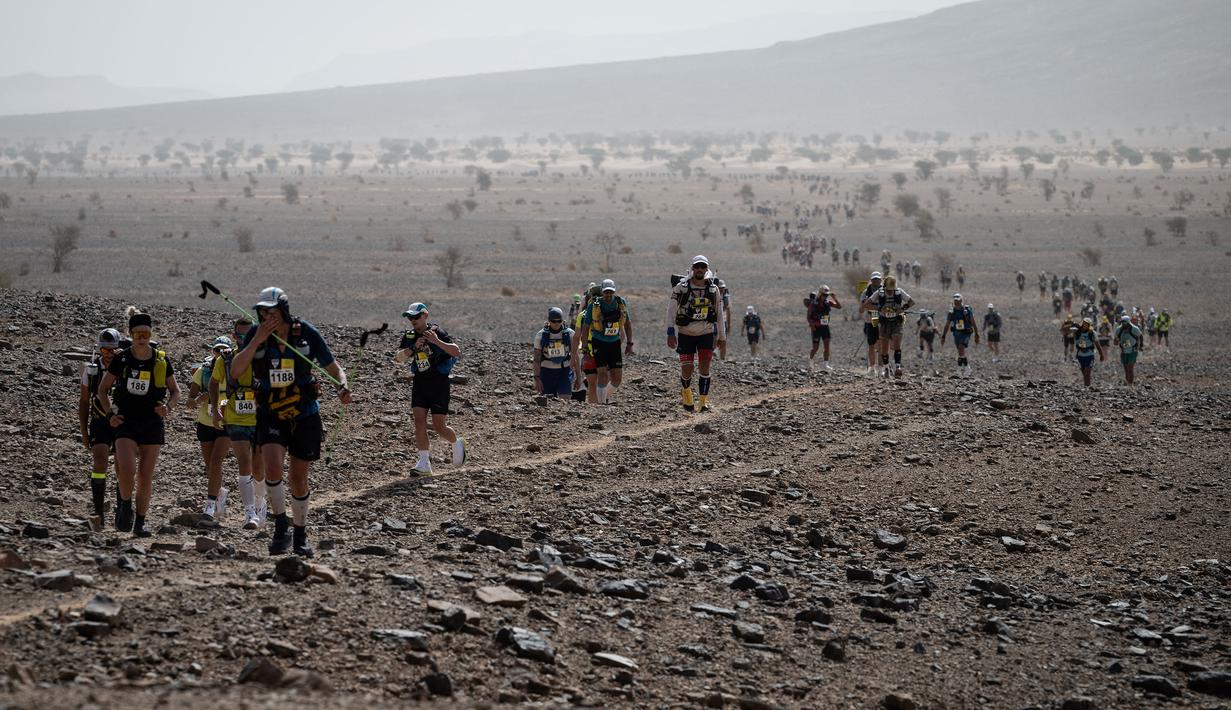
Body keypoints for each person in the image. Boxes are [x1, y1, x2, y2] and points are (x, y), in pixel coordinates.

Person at [231, 287, 351, 557]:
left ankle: (300, 532)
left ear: (283, 310)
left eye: (270, 311)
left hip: (304, 413)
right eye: (262, 312)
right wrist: (256, 340)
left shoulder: (305, 332)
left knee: (298, 478)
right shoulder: (256, 334)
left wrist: (342, 386)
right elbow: (236, 372)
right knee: (272, 466)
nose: (265, 316)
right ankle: (280, 526)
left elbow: (333, 367)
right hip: (271, 413)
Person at [96, 307, 180, 537]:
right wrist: (110, 415)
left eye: (146, 334)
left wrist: (168, 408)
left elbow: (175, 391)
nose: (142, 338)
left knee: (145, 475)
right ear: (130, 334)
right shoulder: (122, 358)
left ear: (151, 333)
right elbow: (103, 391)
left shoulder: (161, 360)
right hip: (126, 421)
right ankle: (124, 504)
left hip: (152, 423)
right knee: (127, 469)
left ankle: (141, 521)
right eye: (137, 334)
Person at [395, 301, 465, 474]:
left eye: (416, 316)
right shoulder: (410, 336)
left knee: (439, 426)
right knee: (419, 421)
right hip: (420, 382)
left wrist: (435, 341)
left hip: (439, 383)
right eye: (410, 317)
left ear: (425, 315)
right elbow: (398, 358)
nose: (413, 320)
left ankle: (457, 443)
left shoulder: (437, 332)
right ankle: (424, 463)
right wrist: (413, 348)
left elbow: (456, 351)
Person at [210, 318, 266, 529]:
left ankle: (261, 504)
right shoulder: (225, 359)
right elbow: (213, 383)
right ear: (234, 336)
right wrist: (216, 409)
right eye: (240, 335)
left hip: (260, 417)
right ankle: (250, 513)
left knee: (259, 468)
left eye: (248, 335)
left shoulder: (263, 356)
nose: (244, 339)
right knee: (244, 462)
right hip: (235, 417)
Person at [667, 255, 725, 411]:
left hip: (705, 333)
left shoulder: (713, 290)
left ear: (706, 269)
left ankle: (703, 402)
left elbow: (719, 313)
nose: (699, 269)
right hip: (686, 334)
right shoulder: (681, 288)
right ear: (692, 268)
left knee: (705, 367)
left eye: (703, 267)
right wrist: (670, 332)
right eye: (697, 266)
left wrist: (721, 337)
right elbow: (671, 310)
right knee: (687, 369)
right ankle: (686, 394)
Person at [79, 328, 123, 532]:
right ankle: (99, 512)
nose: (109, 354)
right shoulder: (91, 370)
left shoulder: (125, 368)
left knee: (123, 466)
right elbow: (84, 401)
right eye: (105, 350)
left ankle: (123, 509)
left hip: (123, 421)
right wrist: (84, 433)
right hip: (99, 420)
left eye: (113, 350)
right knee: (100, 461)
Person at [189, 336, 234, 519]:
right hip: (205, 422)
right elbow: (189, 402)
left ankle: (209, 506)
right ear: (212, 351)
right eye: (217, 350)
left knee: (216, 462)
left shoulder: (234, 371)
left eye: (224, 350)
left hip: (226, 423)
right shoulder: (202, 371)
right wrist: (199, 399)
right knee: (210, 468)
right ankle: (220, 492)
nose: (219, 353)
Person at [581, 279, 634, 404]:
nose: (608, 295)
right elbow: (586, 327)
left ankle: (603, 399)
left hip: (614, 342)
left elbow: (627, 324)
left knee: (617, 378)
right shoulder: (593, 306)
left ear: (614, 292)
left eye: (611, 292)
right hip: (599, 342)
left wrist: (629, 344)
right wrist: (584, 347)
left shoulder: (621, 303)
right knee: (602, 374)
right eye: (606, 293)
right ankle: (601, 404)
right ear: (602, 293)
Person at [861, 275, 914, 378]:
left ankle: (898, 367)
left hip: (897, 322)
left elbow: (911, 302)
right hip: (884, 323)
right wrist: (880, 309)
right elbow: (866, 305)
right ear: (885, 286)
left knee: (897, 344)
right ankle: (886, 368)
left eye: (892, 290)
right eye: (888, 290)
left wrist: (902, 309)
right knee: (884, 349)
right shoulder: (879, 293)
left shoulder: (899, 292)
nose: (890, 292)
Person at [532, 307, 579, 398]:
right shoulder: (540, 335)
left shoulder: (570, 334)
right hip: (546, 371)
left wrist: (579, 377)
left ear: (563, 320)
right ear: (549, 321)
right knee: (547, 399)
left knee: (565, 398)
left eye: (559, 321)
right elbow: (537, 359)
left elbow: (575, 356)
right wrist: (536, 378)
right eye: (554, 321)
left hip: (564, 370)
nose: (556, 324)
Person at [940, 293, 980, 376]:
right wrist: (943, 335)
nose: (956, 302)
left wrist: (977, 333)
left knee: (961, 348)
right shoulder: (952, 312)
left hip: (966, 332)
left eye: (957, 300)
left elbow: (973, 321)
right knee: (960, 352)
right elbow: (947, 324)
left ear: (961, 300)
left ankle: (959, 369)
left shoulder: (967, 310)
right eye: (955, 300)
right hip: (956, 333)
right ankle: (967, 368)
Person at [807, 285, 841, 370]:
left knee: (827, 345)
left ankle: (825, 364)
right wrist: (812, 325)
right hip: (816, 327)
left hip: (825, 327)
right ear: (820, 294)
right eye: (824, 295)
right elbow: (808, 316)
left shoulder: (828, 302)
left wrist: (834, 298)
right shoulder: (813, 303)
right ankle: (810, 360)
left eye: (827, 295)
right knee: (815, 347)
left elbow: (839, 307)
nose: (825, 296)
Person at [859, 272, 883, 375]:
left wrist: (871, 306)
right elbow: (861, 308)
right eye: (874, 279)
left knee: (882, 345)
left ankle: (881, 368)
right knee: (871, 345)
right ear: (871, 280)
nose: (876, 281)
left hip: (883, 321)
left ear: (881, 280)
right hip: (870, 320)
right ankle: (872, 367)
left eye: (877, 279)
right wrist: (869, 306)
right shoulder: (865, 292)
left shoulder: (885, 291)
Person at [1073, 317, 1106, 387]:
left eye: (1087, 324)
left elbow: (1097, 344)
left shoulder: (1092, 333)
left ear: (1089, 325)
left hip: (1089, 355)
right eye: (1084, 323)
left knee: (1087, 371)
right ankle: (1086, 386)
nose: (1085, 325)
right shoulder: (1077, 331)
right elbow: (1065, 331)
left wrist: (1101, 355)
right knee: (1083, 371)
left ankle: (1087, 387)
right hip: (1080, 355)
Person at [1114, 314, 1143, 386]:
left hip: (1133, 350)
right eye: (1122, 323)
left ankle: (1131, 384)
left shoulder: (1134, 328)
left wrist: (1140, 346)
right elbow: (1115, 342)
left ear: (1128, 322)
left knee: (1130, 368)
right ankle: (1127, 382)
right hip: (1124, 350)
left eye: (1125, 323)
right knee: (1126, 368)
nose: (1124, 324)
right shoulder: (1119, 329)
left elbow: (1140, 336)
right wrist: (1116, 341)